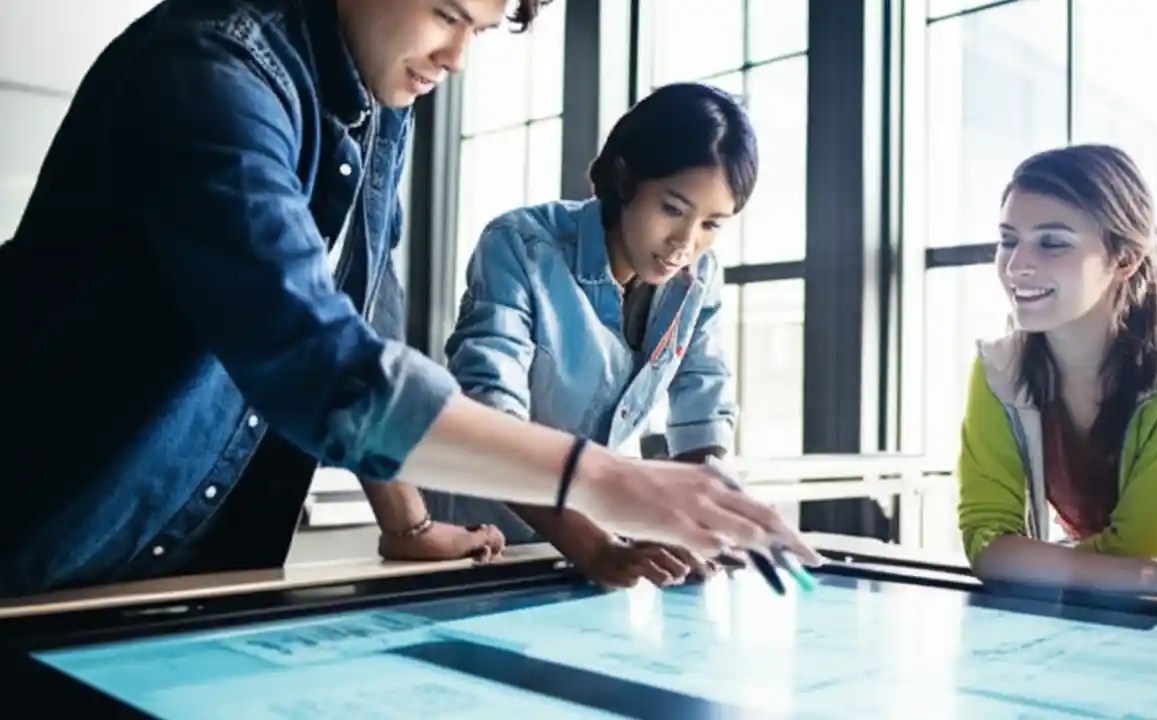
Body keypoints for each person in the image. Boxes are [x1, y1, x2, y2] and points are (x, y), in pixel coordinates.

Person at [0, 0, 818, 597]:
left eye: (482, 28)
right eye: (445, 13)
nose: (457, 56)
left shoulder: (380, 105)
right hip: (48, 550)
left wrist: (408, 525)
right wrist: (608, 482)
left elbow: (361, 321)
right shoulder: (210, 70)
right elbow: (317, 362)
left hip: (198, 567)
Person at [425, 82, 752, 589]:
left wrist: (696, 528)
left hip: (596, 552)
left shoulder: (699, 280)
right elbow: (491, 419)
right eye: (672, 209)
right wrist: (595, 548)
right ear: (625, 178)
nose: (685, 244)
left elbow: (703, 417)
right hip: (485, 547)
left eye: (711, 224)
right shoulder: (520, 245)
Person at [957, 144, 1157, 603]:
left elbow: (1146, 546)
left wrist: (1031, 561)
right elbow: (985, 546)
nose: (1015, 265)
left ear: (1124, 258)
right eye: (1009, 240)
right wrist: (1153, 573)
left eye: (1052, 242)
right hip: (1133, 594)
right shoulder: (999, 369)